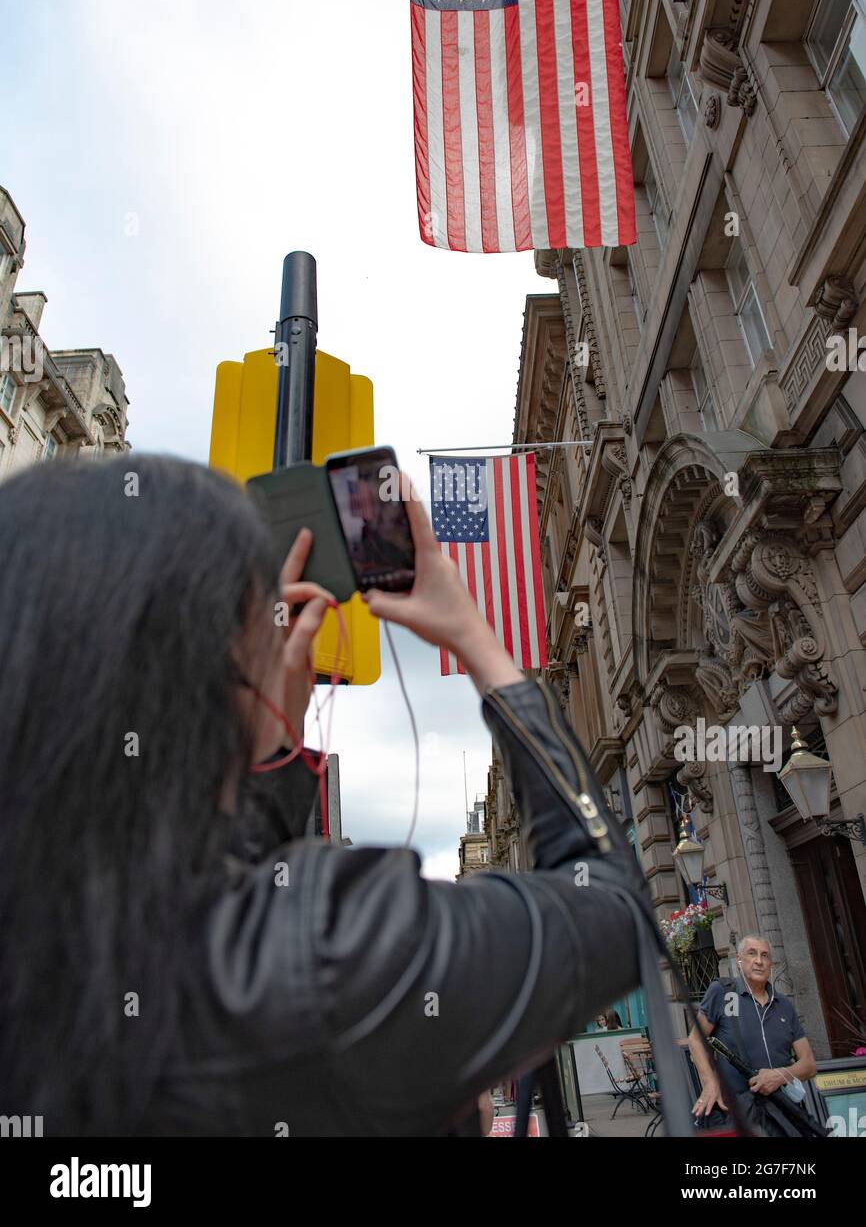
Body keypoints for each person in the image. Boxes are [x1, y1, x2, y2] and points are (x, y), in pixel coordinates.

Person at [0, 456, 670, 1137]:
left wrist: (266, 737)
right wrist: (476, 640)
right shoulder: (319, 952)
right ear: (212, 679)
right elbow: (614, 907)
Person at [688, 934, 818, 1135]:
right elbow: (695, 1040)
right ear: (739, 960)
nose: (759, 961)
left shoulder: (783, 1005)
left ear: (771, 964)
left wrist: (779, 1076)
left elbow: (808, 1064)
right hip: (736, 1112)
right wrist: (709, 1083)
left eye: (765, 955)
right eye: (752, 953)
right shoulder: (723, 993)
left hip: (782, 1113)